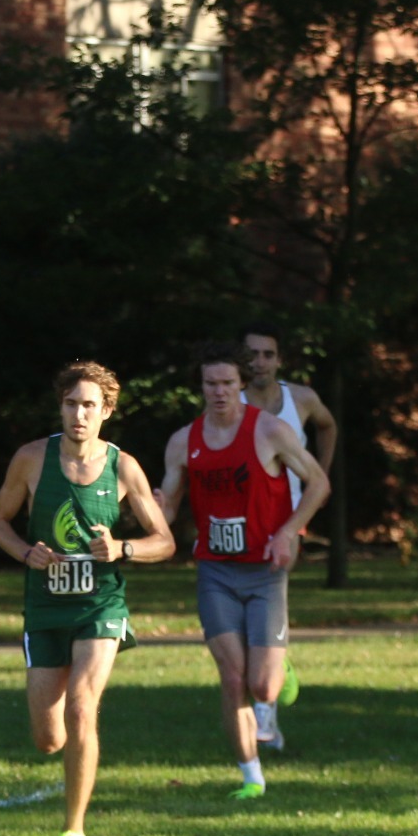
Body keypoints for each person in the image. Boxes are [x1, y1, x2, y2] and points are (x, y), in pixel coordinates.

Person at [0, 361, 175, 836]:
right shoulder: (31, 459)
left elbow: (164, 540)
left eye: (89, 405)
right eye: (71, 403)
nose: (79, 414)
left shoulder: (123, 467)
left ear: (106, 411)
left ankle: (74, 827)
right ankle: (69, 757)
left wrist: (122, 549)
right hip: (45, 607)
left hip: (101, 606)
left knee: (82, 706)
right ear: (61, 406)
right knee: (49, 737)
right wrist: (27, 553)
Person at [157, 341, 329, 798]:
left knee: (263, 685)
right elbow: (167, 504)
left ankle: (279, 668)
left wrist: (289, 531)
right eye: (211, 384)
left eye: (228, 383)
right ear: (201, 387)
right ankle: (251, 776)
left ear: (242, 386)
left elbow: (318, 483)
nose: (220, 392)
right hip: (215, 570)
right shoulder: (183, 441)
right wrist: (151, 508)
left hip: (265, 570)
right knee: (232, 678)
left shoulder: (269, 431)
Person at [239, 323, 338, 749]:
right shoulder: (229, 399)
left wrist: (320, 475)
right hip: (238, 521)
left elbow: (328, 427)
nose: (259, 362)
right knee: (245, 619)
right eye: (251, 354)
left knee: (269, 595)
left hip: (286, 523)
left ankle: (267, 717)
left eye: (267, 354)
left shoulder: (301, 399)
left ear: (279, 360)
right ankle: (278, 661)